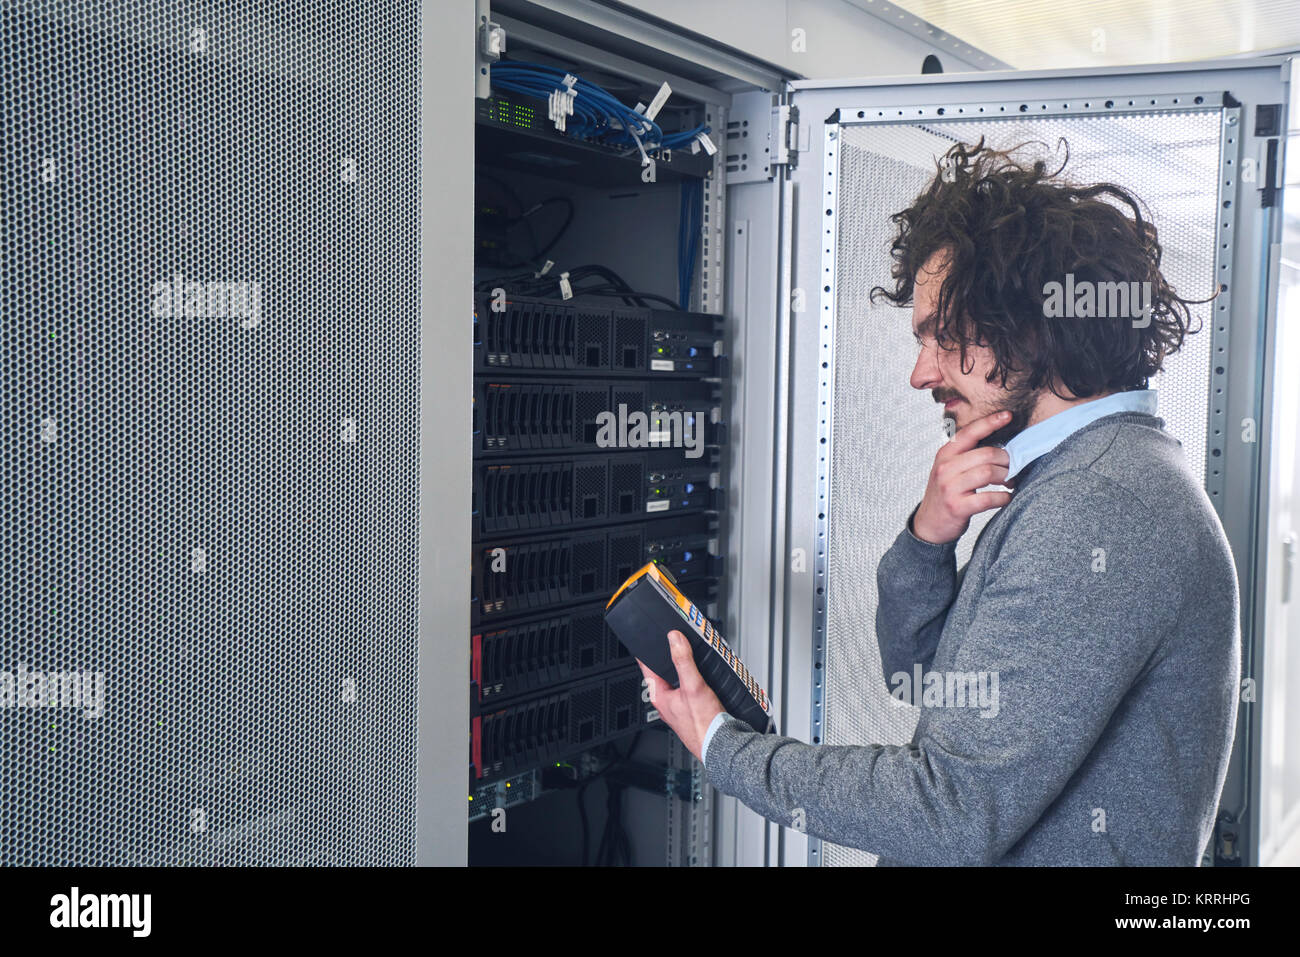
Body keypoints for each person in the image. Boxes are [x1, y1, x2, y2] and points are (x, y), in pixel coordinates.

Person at [637, 138, 1241, 865]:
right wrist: (930, 535)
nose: (922, 373)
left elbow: (950, 810)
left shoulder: (1095, 503)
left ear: (1035, 328)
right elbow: (921, 675)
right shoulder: (1090, 473)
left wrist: (724, 745)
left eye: (944, 335)